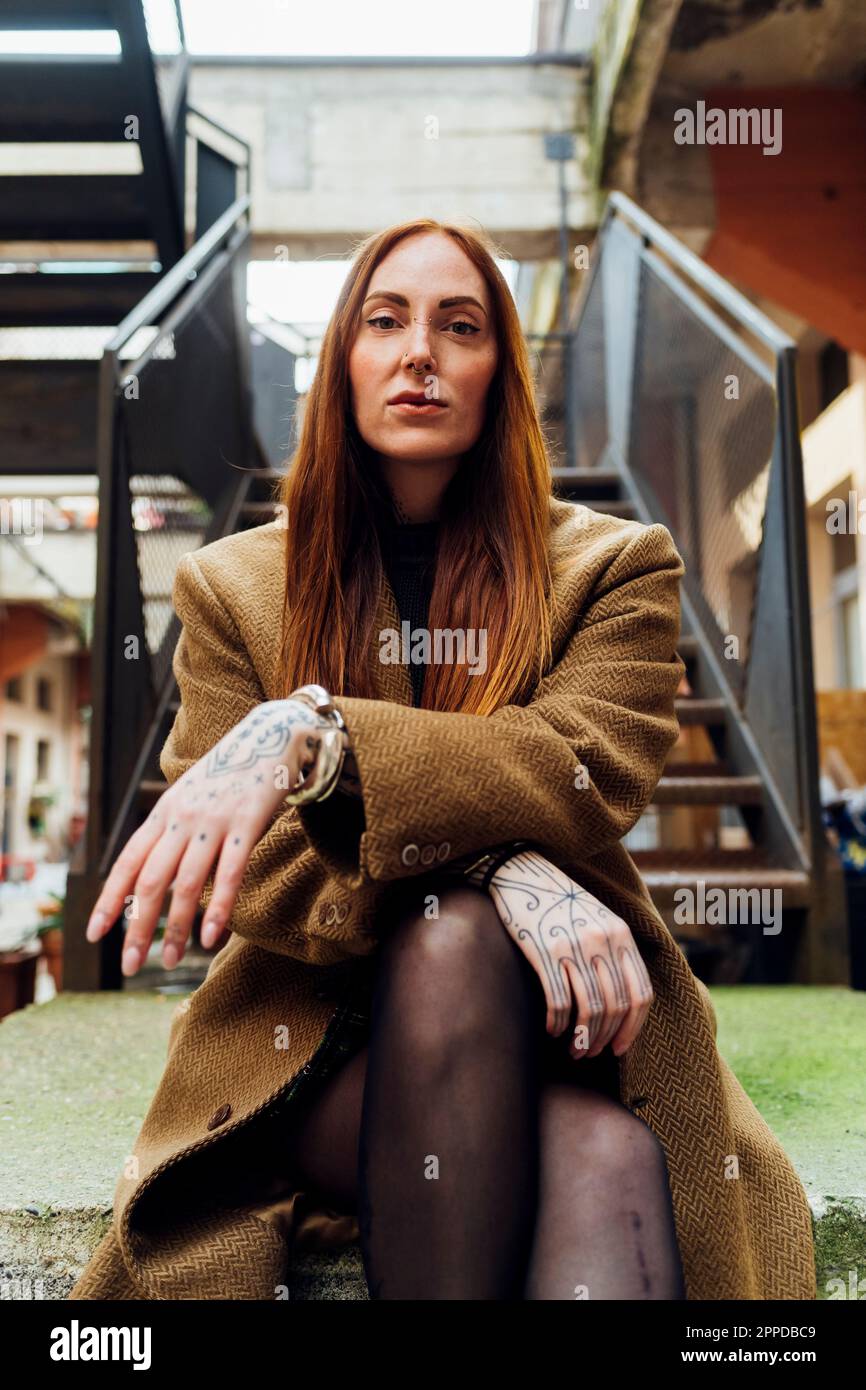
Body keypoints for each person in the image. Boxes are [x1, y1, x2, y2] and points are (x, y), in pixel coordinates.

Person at [72, 218, 816, 1303]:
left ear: (497, 372)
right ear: (344, 361)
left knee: (602, 1151)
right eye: (385, 320)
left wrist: (315, 739)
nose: (418, 350)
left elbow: (579, 767)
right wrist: (496, 865)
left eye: (457, 325)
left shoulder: (613, 567)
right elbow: (266, 878)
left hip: (556, 1028)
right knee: (456, 930)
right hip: (308, 1053)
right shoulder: (232, 587)